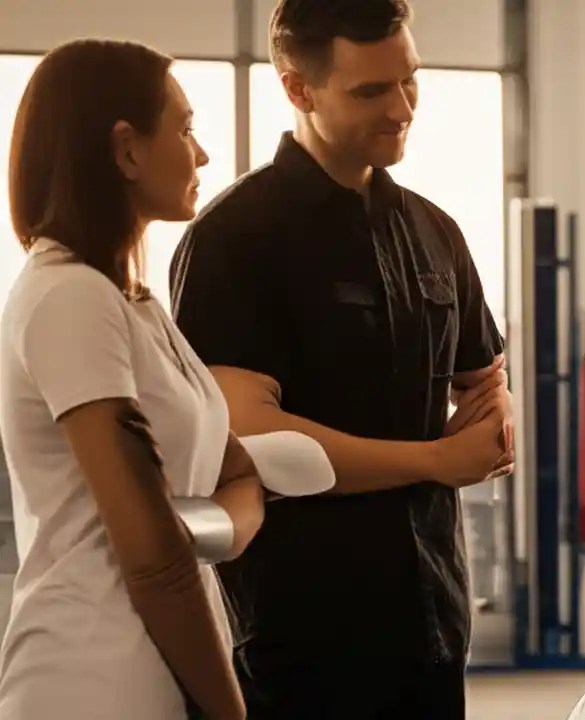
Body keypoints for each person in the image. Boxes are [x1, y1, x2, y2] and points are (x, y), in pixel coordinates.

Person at [168, 0, 513, 717]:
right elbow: (254, 434)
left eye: (409, 80)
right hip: (303, 637)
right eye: (371, 91)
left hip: (433, 620)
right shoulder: (236, 240)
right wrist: (436, 460)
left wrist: (493, 425)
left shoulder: (435, 231)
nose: (402, 109)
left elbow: (485, 379)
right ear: (298, 88)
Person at [0, 39, 264, 720]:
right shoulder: (69, 298)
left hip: (152, 664)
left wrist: (210, 525)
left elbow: (236, 474)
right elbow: (155, 561)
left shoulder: (133, 303)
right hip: (92, 676)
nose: (202, 154)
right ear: (126, 151)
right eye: (185, 129)